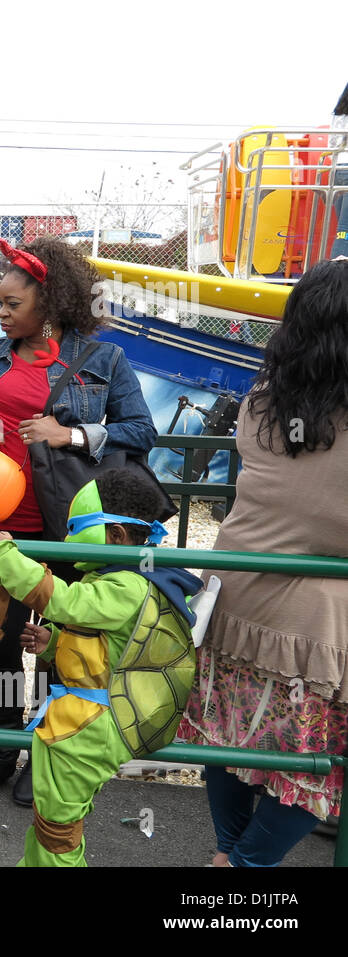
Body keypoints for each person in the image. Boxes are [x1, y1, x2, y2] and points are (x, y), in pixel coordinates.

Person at [0, 236, 156, 805]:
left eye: (12, 304)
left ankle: (48, 751)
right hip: (0, 529)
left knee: (63, 645)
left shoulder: (103, 359)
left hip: (69, 531)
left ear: (49, 303)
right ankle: (2, 749)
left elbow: (141, 429)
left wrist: (73, 434)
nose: (1, 313)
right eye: (0, 304)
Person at [178, 258, 348, 866]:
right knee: (311, 759)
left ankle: (229, 856)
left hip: (229, 593)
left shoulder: (262, 404)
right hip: (310, 624)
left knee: (225, 735)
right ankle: (245, 867)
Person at [0, 468, 202, 866]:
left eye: (77, 528)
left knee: (58, 837)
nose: (67, 540)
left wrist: (1, 553)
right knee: (51, 824)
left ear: (115, 535)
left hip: (89, 728)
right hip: (83, 720)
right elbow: (113, 653)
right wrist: (55, 644)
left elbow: (61, 602)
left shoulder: (127, 585)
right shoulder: (130, 577)